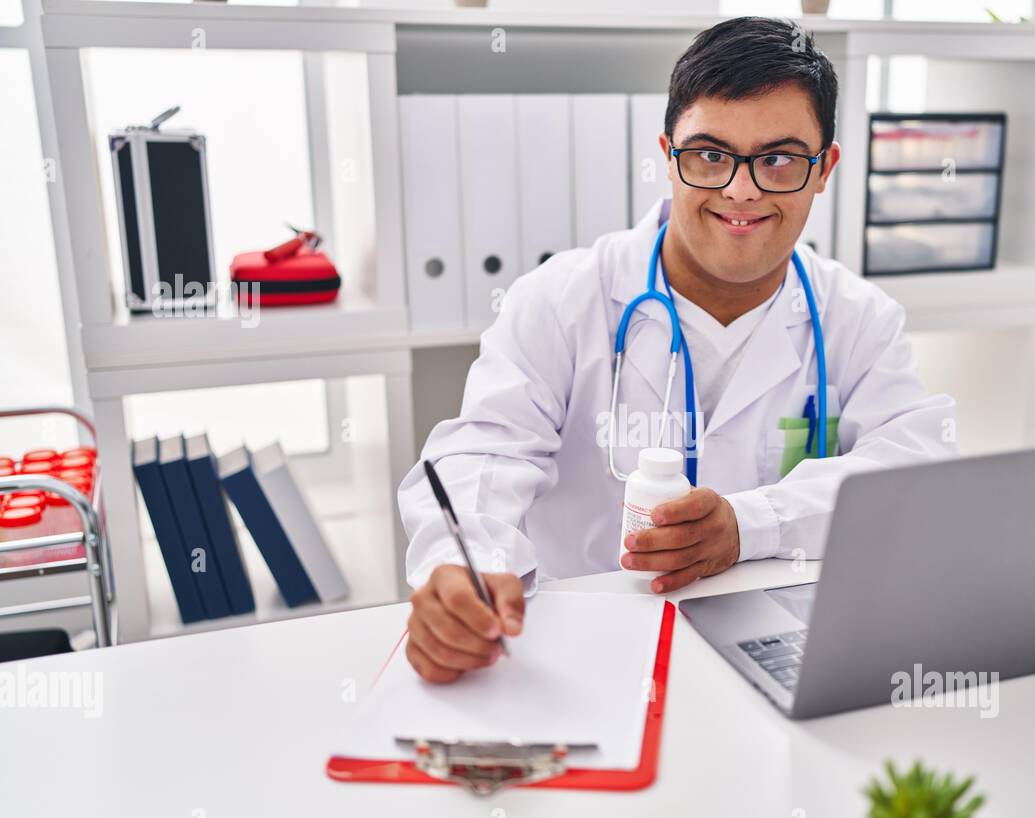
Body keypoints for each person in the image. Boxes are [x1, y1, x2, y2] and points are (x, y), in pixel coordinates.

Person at [397, 16, 956, 683]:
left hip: (776, 651)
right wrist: (468, 566)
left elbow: (917, 473)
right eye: (711, 155)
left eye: (778, 158)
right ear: (669, 156)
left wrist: (750, 524)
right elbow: (482, 453)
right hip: (585, 654)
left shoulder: (859, 320)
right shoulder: (560, 299)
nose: (741, 190)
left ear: (824, 169)